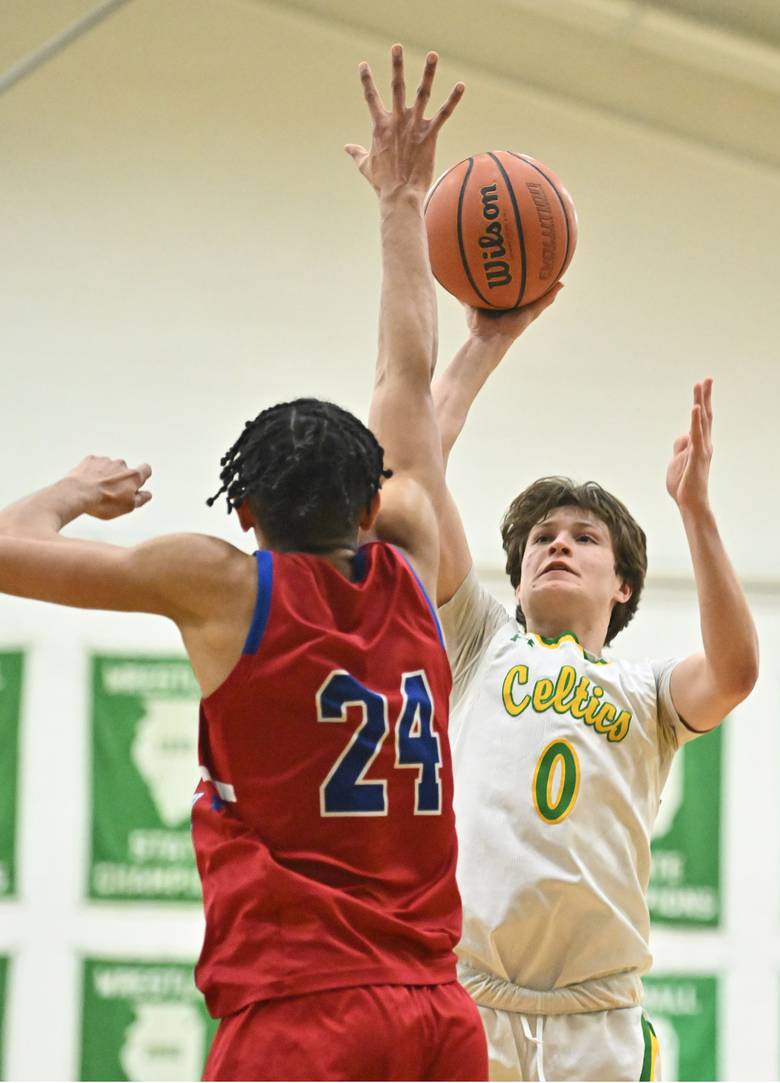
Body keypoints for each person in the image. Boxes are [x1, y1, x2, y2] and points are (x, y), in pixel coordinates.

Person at [0, 48, 488, 1082]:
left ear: (244, 508)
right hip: (439, 1015)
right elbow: (405, 377)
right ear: (372, 503)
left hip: (304, 1011)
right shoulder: (413, 563)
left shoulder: (220, 584)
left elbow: (8, 554)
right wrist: (402, 201)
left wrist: (72, 492)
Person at [425, 289, 759, 1080]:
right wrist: (482, 347)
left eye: (584, 537)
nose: (557, 545)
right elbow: (414, 465)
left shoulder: (648, 693)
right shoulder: (480, 641)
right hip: (472, 1001)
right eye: (541, 537)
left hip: (597, 1020)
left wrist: (695, 509)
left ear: (623, 584)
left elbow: (735, 671)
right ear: (516, 575)